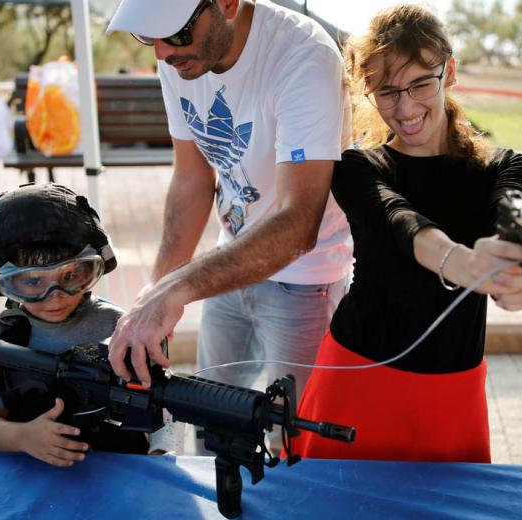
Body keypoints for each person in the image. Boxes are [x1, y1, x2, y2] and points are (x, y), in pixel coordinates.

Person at [288, 4, 522, 463]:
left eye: (419, 83)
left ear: (449, 71)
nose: (406, 107)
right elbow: (399, 220)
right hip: (354, 376)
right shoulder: (358, 168)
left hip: (451, 389)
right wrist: (462, 261)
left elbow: (511, 213)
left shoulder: (504, 167)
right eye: (388, 91)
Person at [104, 0, 353, 420]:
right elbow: (192, 181)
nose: (162, 53)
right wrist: (156, 293)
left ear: (228, 4)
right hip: (228, 260)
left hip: (305, 278)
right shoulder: (180, 59)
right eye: (148, 36)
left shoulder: (303, 56)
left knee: (296, 432)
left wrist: (177, 288)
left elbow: (298, 225)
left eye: (176, 33)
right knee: (209, 415)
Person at [0, 183, 180, 467]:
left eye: (70, 276)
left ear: (91, 270)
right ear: (7, 284)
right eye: (33, 282)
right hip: (37, 479)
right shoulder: (10, 338)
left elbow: (164, 407)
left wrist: (159, 460)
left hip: (117, 474)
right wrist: (22, 437)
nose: (54, 295)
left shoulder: (119, 326)